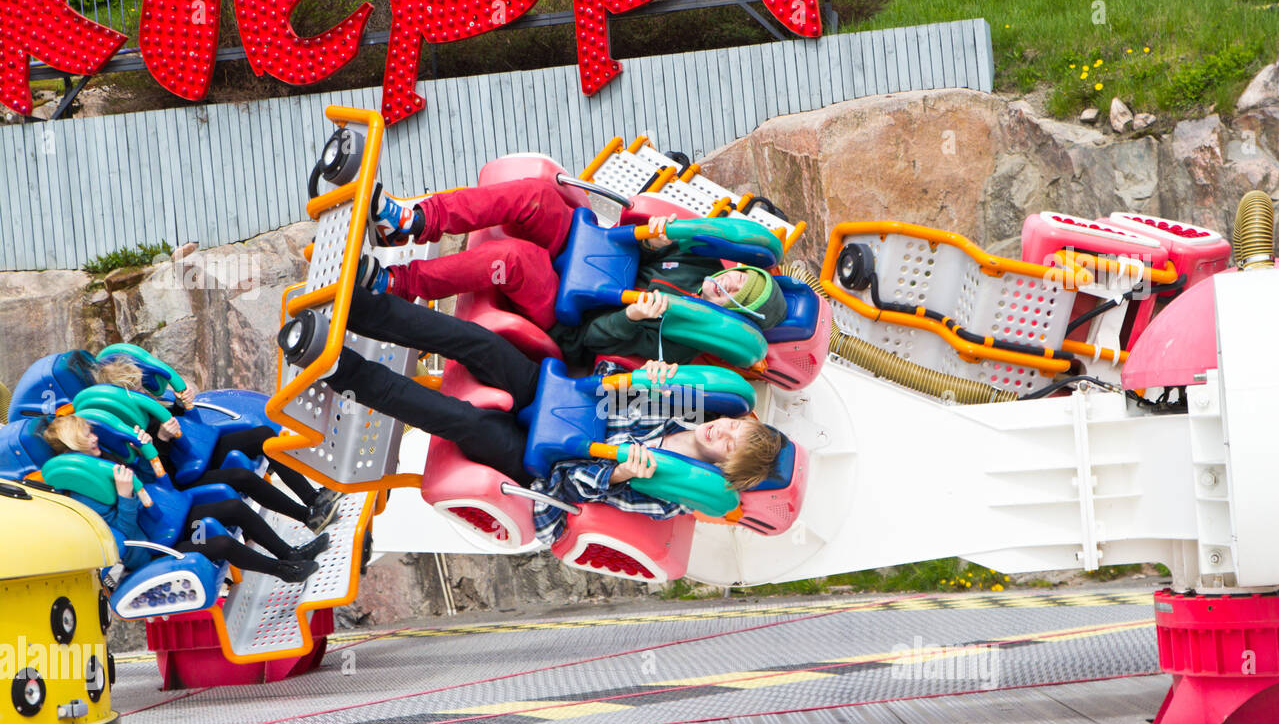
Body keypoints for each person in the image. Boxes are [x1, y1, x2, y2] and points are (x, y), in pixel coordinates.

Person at [312, 278, 786, 546]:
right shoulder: (681, 411)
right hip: (560, 399)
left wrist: (617, 475)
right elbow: (600, 378)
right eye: (734, 428)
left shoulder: (667, 496)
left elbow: (566, 490)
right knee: (482, 343)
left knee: (466, 421)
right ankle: (365, 310)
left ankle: (341, 369)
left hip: (542, 459)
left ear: (723, 469)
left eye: (728, 445)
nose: (722, 429)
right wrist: (640, 379)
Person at [367, 178, 786, 366]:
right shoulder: (705, 262)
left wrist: (632, 318)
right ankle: (414, 221)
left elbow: (592, 340)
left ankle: (400, 283)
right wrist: (649, 241)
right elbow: (636, 241)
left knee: (516, 259)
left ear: (735, 312)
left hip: (572, 316)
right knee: (536, 196)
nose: (732, 281)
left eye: (739, 292)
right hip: (591, 252)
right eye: (743, 276)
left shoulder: (681, 341)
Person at [42, 414, 326, 584]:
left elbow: (153, 478)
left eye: (90, 433)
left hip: (168, 516)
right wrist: (125, 497)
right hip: (156, 544)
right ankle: (283, 570)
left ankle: (292, 551)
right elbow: (123, 536)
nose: (93, 439)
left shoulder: (104, 456)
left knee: (232, 507)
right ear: (71, 450)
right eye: (85, 438)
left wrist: (148, 449)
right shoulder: (80, 493)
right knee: (219, 542)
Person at [93, 354, 343, 533]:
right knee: (241, 477)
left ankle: (312, 498)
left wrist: (182, 404)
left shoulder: (150, 404)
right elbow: (160, 475)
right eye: (136, 390)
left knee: (264, 435)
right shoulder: (125, 431)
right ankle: (308, 517)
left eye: (141, 387)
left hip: (197, 452)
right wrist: (162, 439)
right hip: (181, 477)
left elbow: (183, 422)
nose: (144, 393)